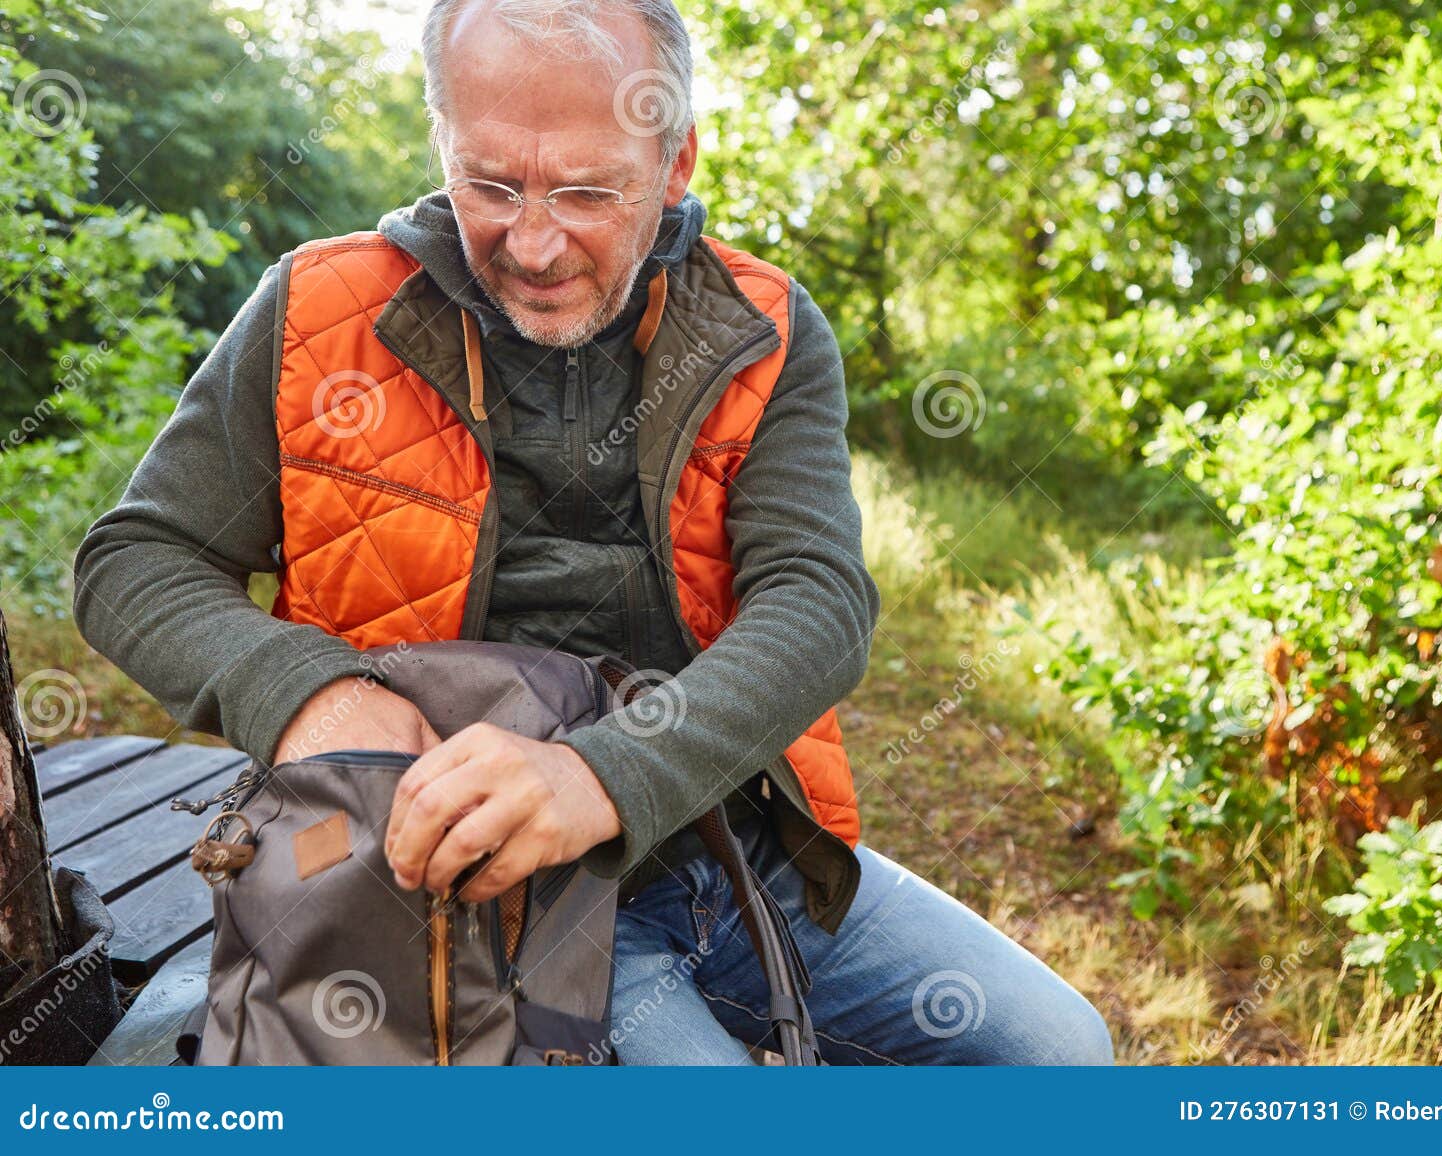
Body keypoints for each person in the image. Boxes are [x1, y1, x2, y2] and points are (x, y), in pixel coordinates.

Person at [73, 0, 1112, 1065]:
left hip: (729, 845)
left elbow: (820, 602)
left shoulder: (770, 329)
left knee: (1058, 1054)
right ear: (441, 141)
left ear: (674, 160)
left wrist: (604, 775)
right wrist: (309, 692)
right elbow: (133, 560)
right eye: (489, 184)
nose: (532, 243)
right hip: (476, 901)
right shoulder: (313, 311)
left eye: (584, 191)